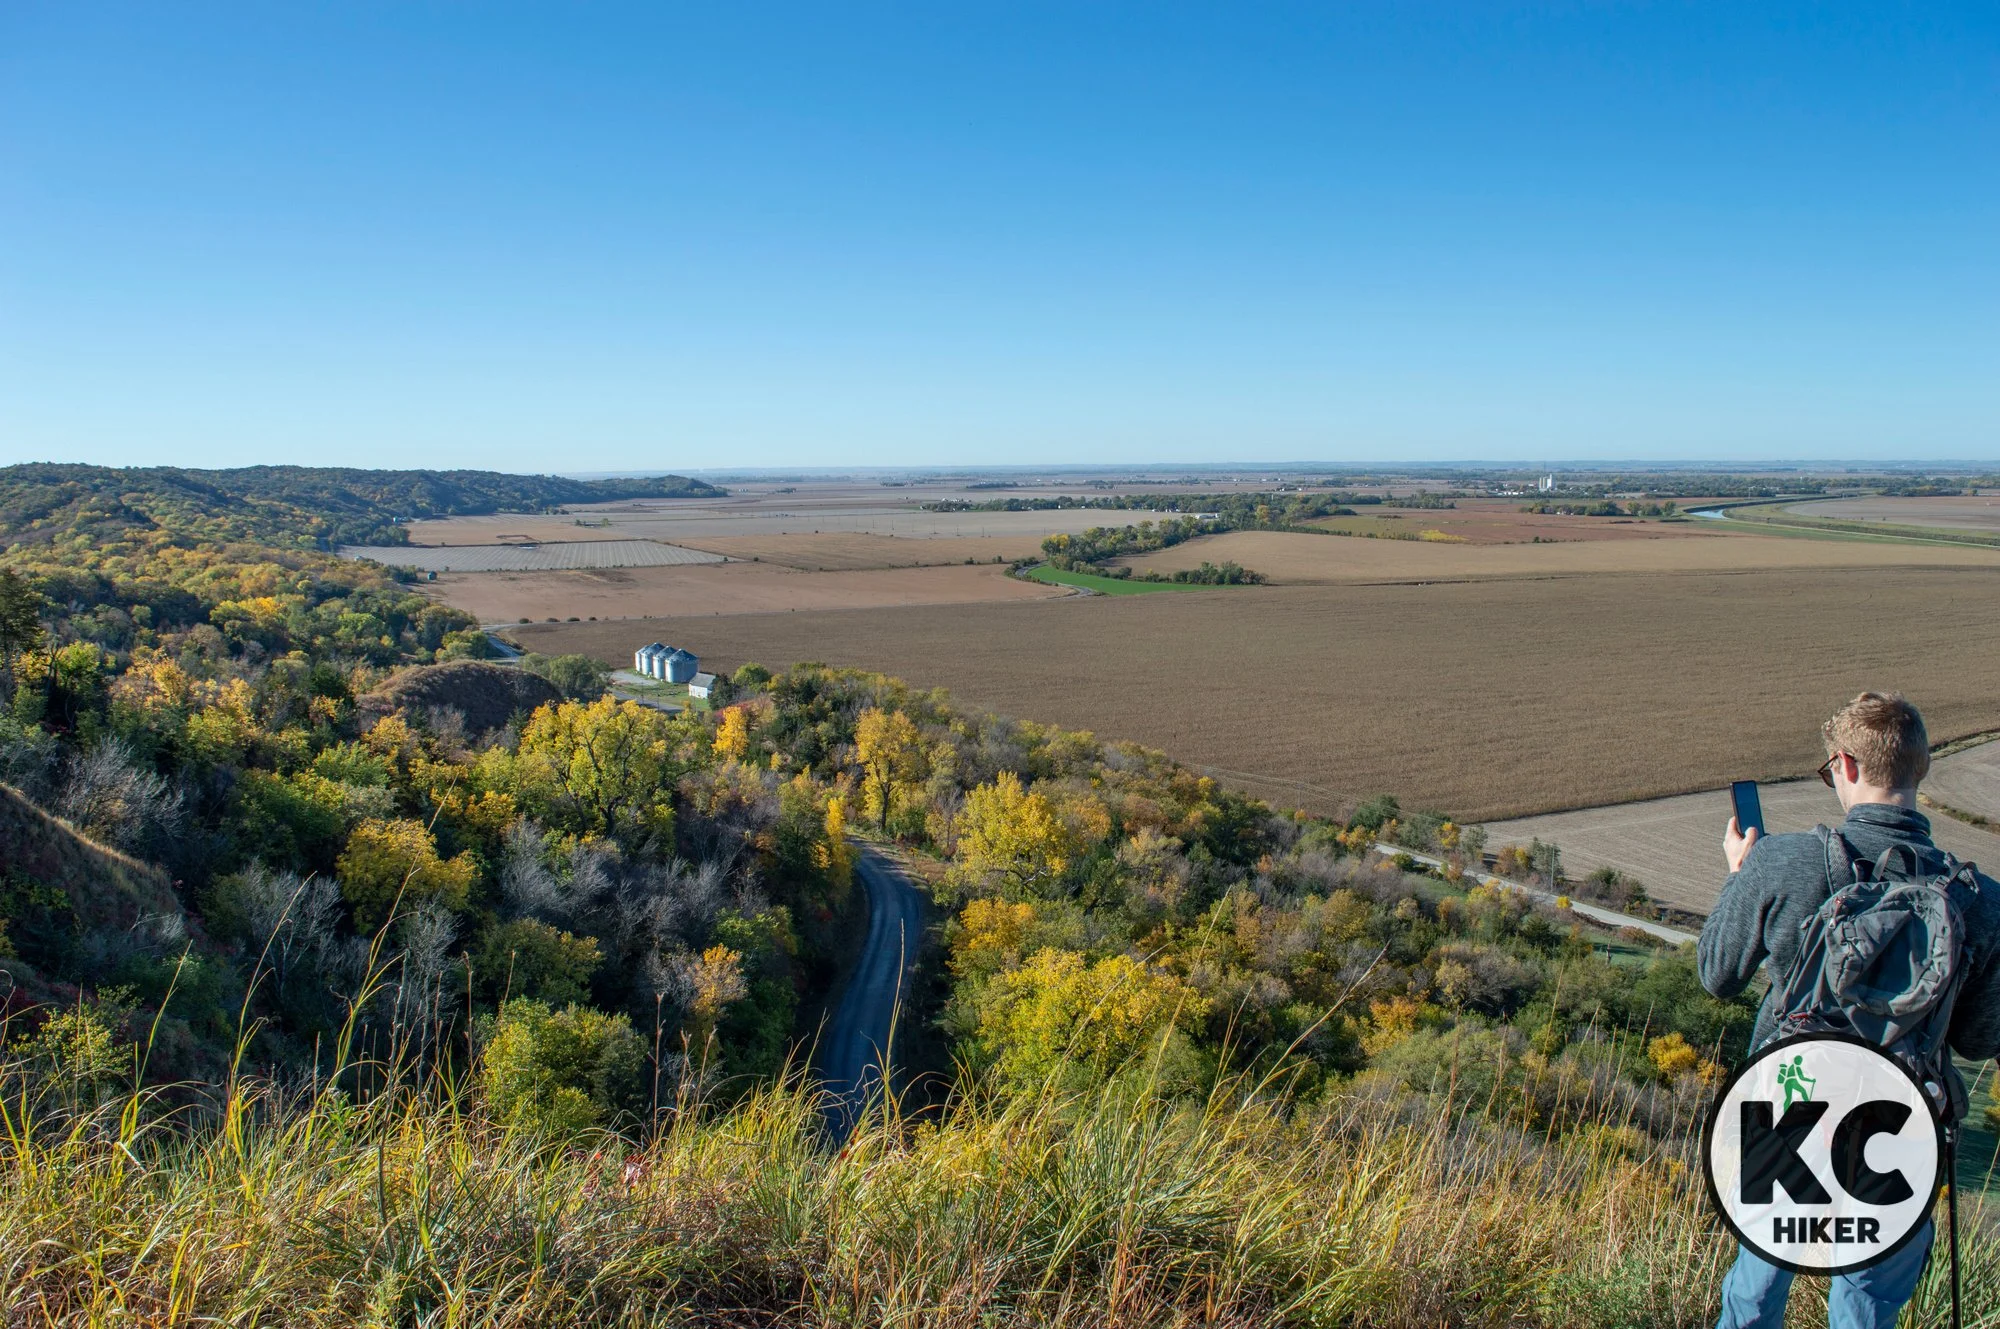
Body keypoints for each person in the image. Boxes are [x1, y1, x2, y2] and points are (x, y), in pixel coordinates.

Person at [1699, 692, 2000, 1329]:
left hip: (1789, 1106)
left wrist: (1741, 875)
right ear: (1921, 768)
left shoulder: (1785, 861)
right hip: (1902, 1119)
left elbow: (1717, 975)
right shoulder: (1981, 901)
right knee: (1865, 1308)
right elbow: (1979, 1039)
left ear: (1846, 765)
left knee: (1755, 1293)